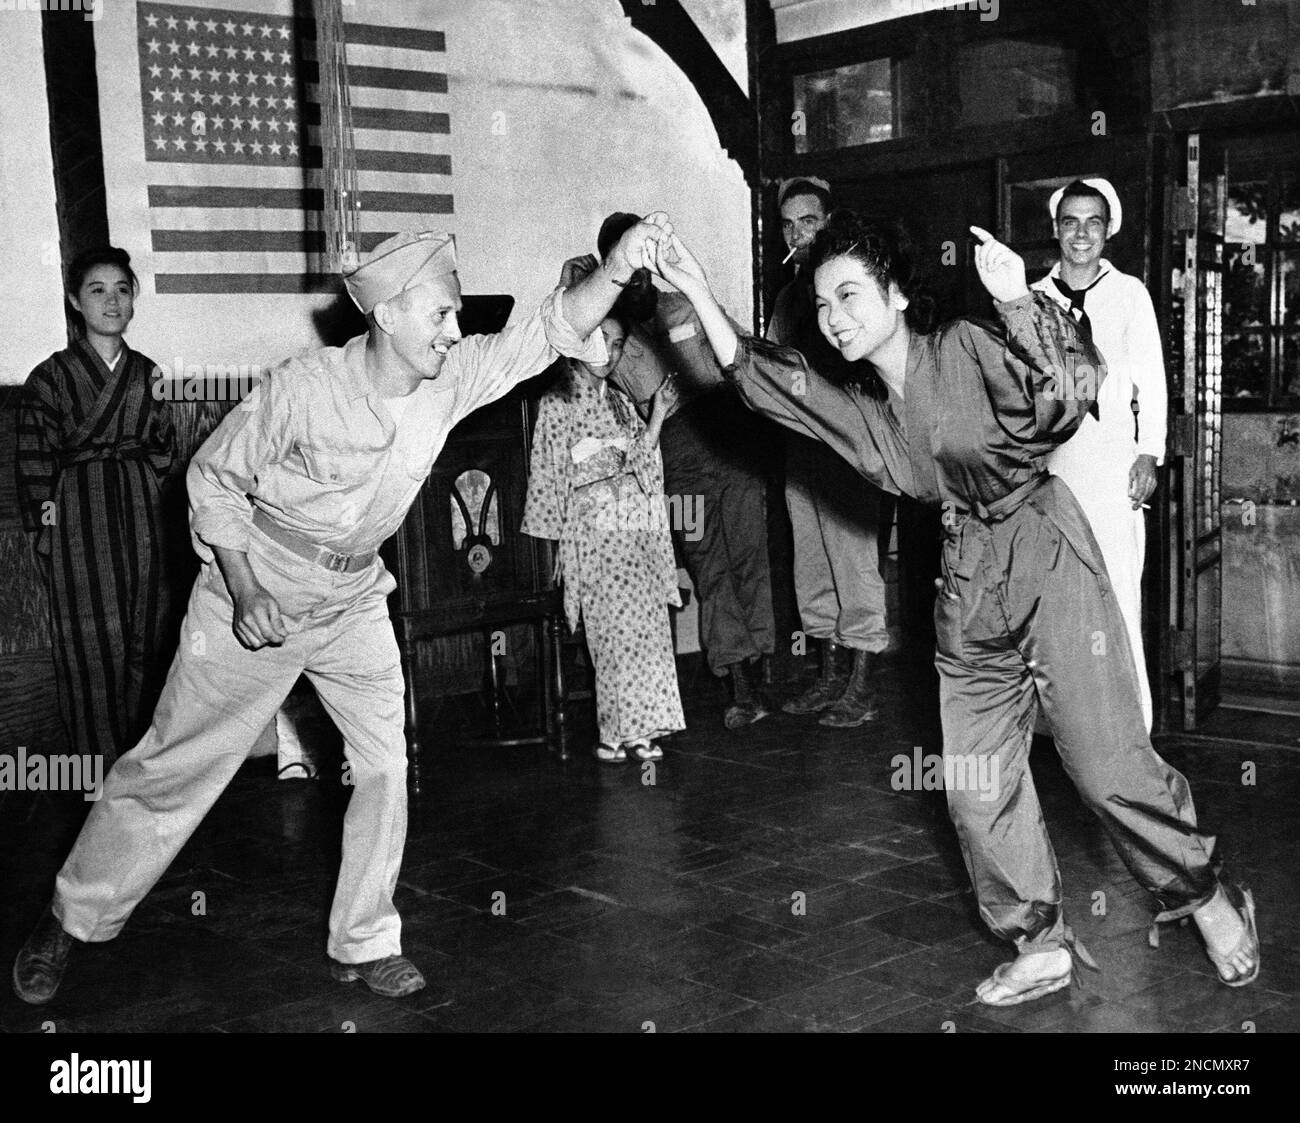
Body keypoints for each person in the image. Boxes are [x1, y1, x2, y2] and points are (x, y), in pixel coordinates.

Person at [12, 215, 674, 1005]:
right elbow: (212, 480)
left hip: (356, 596)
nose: (455, 329)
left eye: (456, 313)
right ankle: (71, 913)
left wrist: (618, 265)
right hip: (258, 586)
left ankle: (364, 938)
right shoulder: (304, 387)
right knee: (174, 765)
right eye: (440, 313)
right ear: (387, 315)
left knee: (385, 762)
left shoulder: (453, 374)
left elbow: (552, 325)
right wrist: (247, 588)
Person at [645, 212, 1260, 1005]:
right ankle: (1038, 938)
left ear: (896, 293)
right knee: (974, 782)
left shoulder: (966, 347)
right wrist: (695, 284)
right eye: (823, 303)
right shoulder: (869, 407)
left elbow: (1071, 397)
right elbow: (782, 388)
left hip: (1042, 550)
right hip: (967, 578)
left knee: (1105, 766)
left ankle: (1203, 891)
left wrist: (1019, 306)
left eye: (850, 294)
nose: (834, 317)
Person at [595, 212, 776, 730]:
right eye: (626, 266)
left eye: (643, 265)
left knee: (748, 555)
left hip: (731, 437)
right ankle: (737, 681)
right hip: (676, 454)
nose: (638, 279)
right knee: (707, 563)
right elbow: (570, 289)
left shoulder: (687, 301)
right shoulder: (611, 332)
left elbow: (745, 352)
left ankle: (761, 665)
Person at [15, 247, 179, 768]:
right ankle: (97, 778)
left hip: (143, 515)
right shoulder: (50, 378)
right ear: (73, 301)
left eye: (122, 290)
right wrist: (49, 535)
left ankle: (145, 774)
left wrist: (159, 507)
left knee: (150, 643)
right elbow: (34, 464)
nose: (111, 301)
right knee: (90, 652)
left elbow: (165, 451)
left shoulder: (149, 372)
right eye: (97, 290)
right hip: (78, 522)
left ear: (134, 300)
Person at [521, 315, 684, 763]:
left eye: (617, 345)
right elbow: (555, 472)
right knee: (614, 634)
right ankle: (618, 732)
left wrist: (656, 418)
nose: (609, 354)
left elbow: (642, 461)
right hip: (594, 533)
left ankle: (640, 729)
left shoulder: (618, 401)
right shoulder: (557, 402)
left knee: (647, 627)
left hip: (634, 529)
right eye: (602, 341)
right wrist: (553, 544)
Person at [1034, 178, 1165, 731]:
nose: (1081, 233)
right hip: (1055, 466)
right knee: (1059, 598)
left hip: (1114, 465)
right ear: (1056, 228)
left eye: (1092, 222)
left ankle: (1133, 728)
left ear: (1108, 229)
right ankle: (1069, 726)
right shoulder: (1033, 299)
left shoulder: (1130, 293)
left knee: (1117, 592)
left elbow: (1153, 383)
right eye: (1070, 221)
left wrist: (1148, 455)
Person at [768, 178, 891, 727]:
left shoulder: (855, 285)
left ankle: (863, 687)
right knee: (812, 565)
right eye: (789, 224)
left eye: (809, 222)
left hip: (848, 445)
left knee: (854, 564)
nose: (799, 233)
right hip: (802, 445)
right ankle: (829, 675)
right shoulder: (787, 297)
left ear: (828, 221)